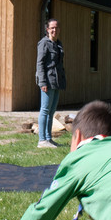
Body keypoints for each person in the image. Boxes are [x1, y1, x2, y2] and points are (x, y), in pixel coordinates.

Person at [36, 18, 66, 148]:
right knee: (45, 110)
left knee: (51, 111)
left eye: (56, 27)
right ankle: (42, 140)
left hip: (56, 81)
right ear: (47, 29)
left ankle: (49, 139)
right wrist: (42, 82)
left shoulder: (58, 44)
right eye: (52, 28)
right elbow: (40, 64)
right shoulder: (44, 43)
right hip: (47, 81)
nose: (54, 30)